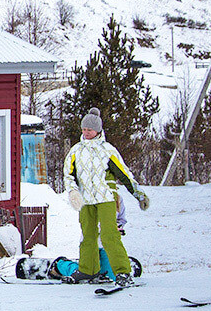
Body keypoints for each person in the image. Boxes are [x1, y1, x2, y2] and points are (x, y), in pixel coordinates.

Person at [64, 108, 149, 286]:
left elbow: (124, 174)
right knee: (87, 234)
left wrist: (138, 194)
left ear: (98, 130)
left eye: (89, 130)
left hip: (106, 198)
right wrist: (73, 192)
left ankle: (123, 272)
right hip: (86, 200)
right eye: (84, 129)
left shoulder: (107, 150)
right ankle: (88, 270)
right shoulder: (75, 151)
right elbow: (68, 175)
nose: (86, 133)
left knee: (110, 234)